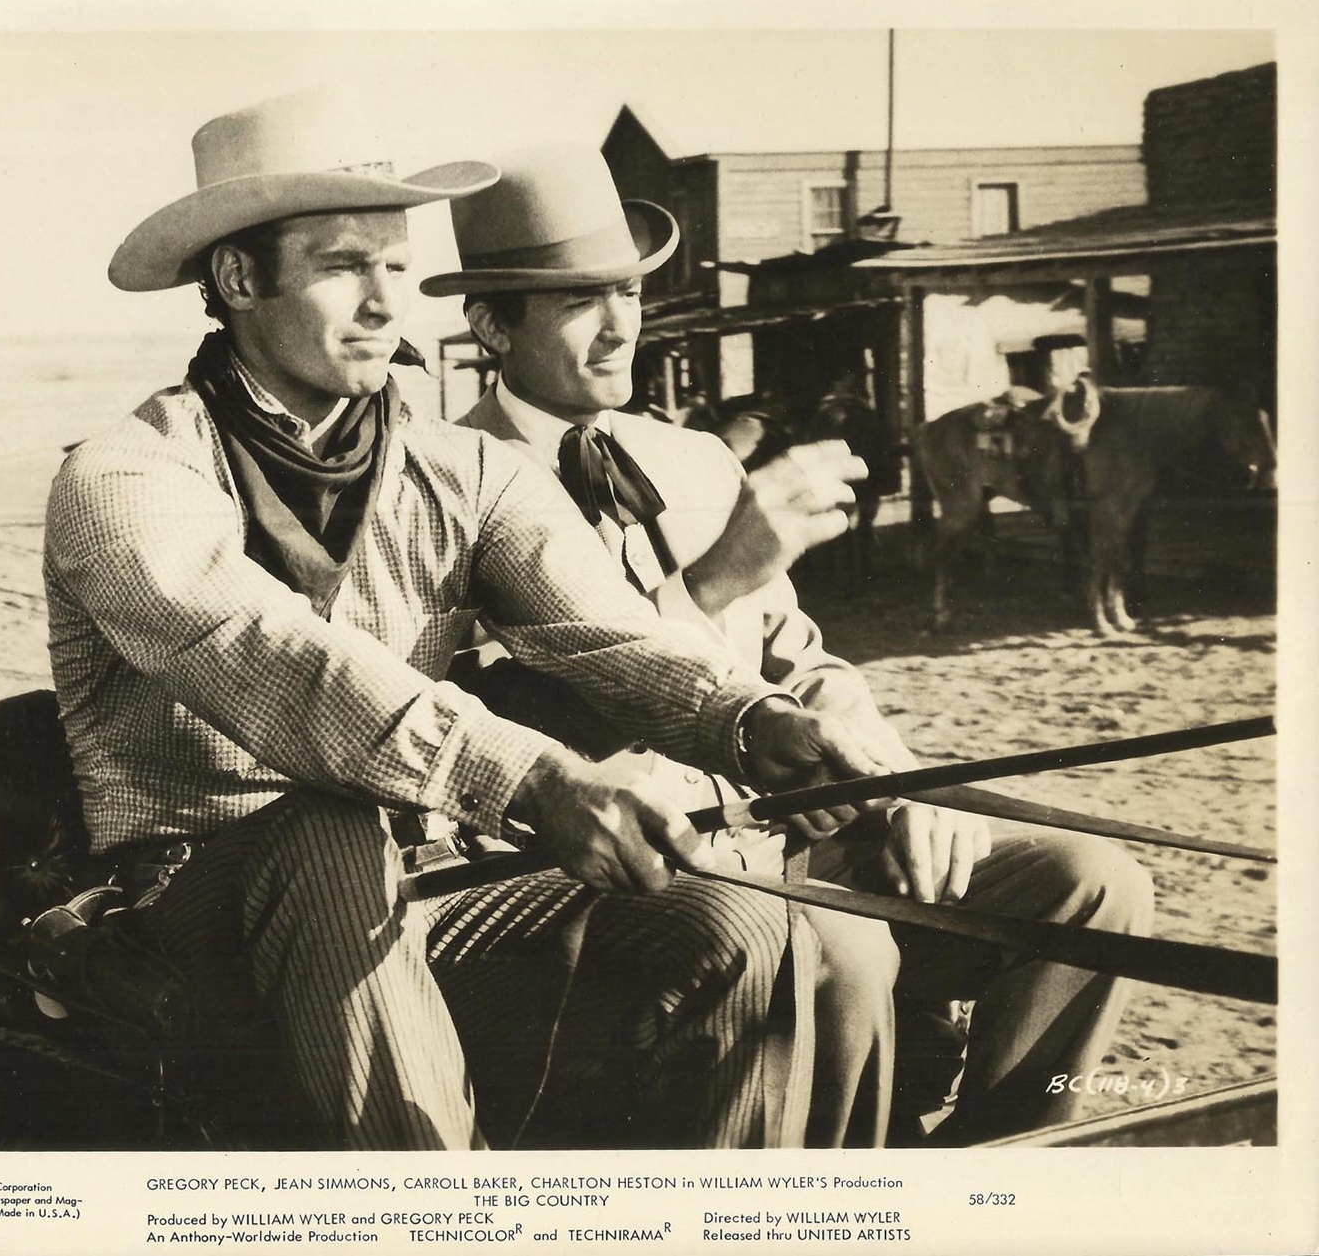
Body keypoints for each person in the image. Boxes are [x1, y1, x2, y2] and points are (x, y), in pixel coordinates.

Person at [43, 92, 893, 1152]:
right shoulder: (126, 475)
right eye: (343, 264)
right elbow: (271, 658)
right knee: (326, 830)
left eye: (395, 267)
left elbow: (611, 635)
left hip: (432, 879)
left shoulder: (468, 469)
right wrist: (533, 780)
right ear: (236, 279)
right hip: (195, 906)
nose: (380, 302)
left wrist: (751, 719)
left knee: (741, 923)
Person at [424, 143, 1156, 1147]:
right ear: (490, 322)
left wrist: (894, 781)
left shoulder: (690, 458)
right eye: (577, 299)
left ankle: (993, 1180)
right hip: (637, 875)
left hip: (792, 834)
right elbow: (520, 716)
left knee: (1090, 880)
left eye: (629, 291)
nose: (619, 323)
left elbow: (806, 662)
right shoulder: (443, 486)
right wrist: (714, 577)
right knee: (844, 951)